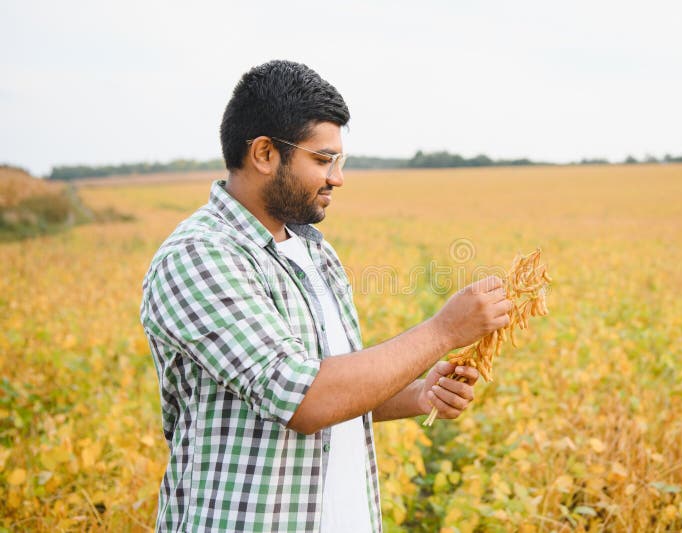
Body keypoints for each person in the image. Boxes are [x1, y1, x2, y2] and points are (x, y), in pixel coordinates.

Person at [140, 60, 512, 533]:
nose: (337, 177)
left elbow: (340, 388)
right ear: (264, 154)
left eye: (340, 161)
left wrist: (418, 394)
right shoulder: (198, 257)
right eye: (322, 159)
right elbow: (305, 399)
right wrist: (445, 330)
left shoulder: (313, 251)